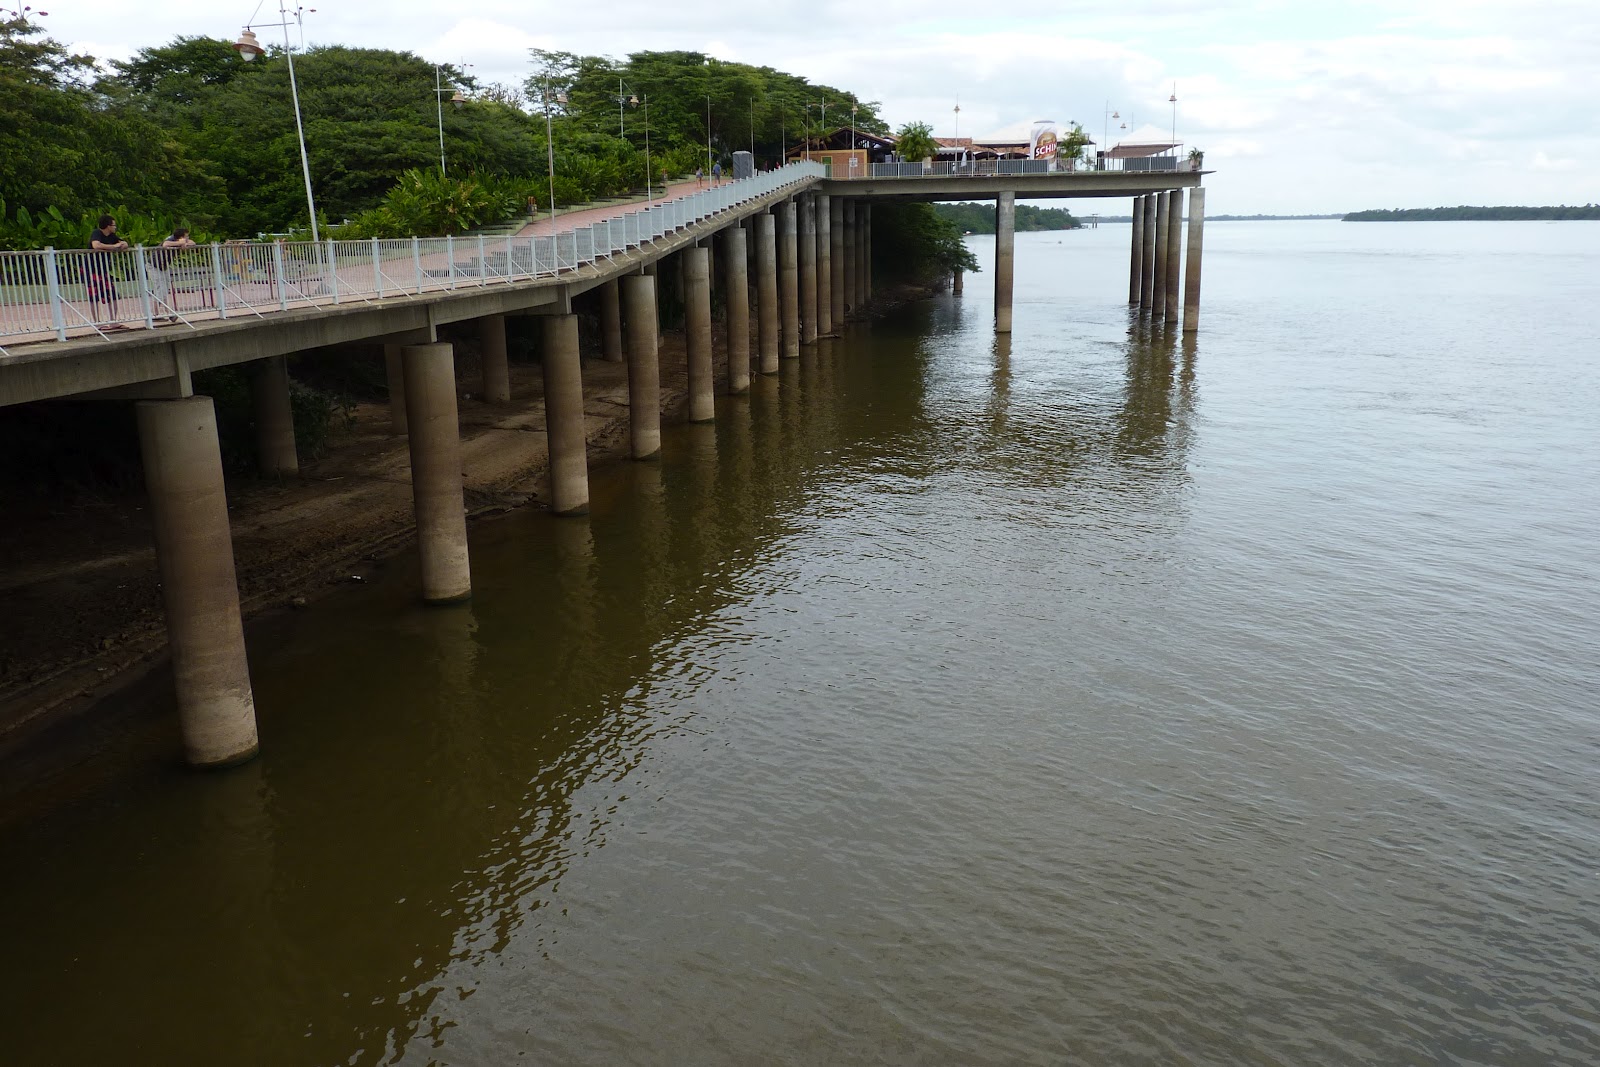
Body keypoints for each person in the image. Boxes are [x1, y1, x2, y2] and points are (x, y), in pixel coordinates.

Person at [88, 214, 129, 324]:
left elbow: (124, 244)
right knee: (94, 295)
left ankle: (113, 320)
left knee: (112, 293)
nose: (115, 227)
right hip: (92, 269)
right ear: (108, 226)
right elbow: (96, 245)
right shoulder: (97, 233)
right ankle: (97, 322)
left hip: (104, 269)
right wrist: (113, 247)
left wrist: (119, 245)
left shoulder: (112, 236)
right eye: (114, 225)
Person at [149, 227, 196, 323]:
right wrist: (179, 243)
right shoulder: (171, 239)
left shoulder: (181, 240)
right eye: (186, 236)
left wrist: (185, 243)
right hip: (154, 265)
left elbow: (193, 243)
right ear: (181, 236)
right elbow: (165, 244)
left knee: (165, 288)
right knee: (160, 288)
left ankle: (167, 313)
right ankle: (155, 313)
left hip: (164, 266)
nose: (187, 238)